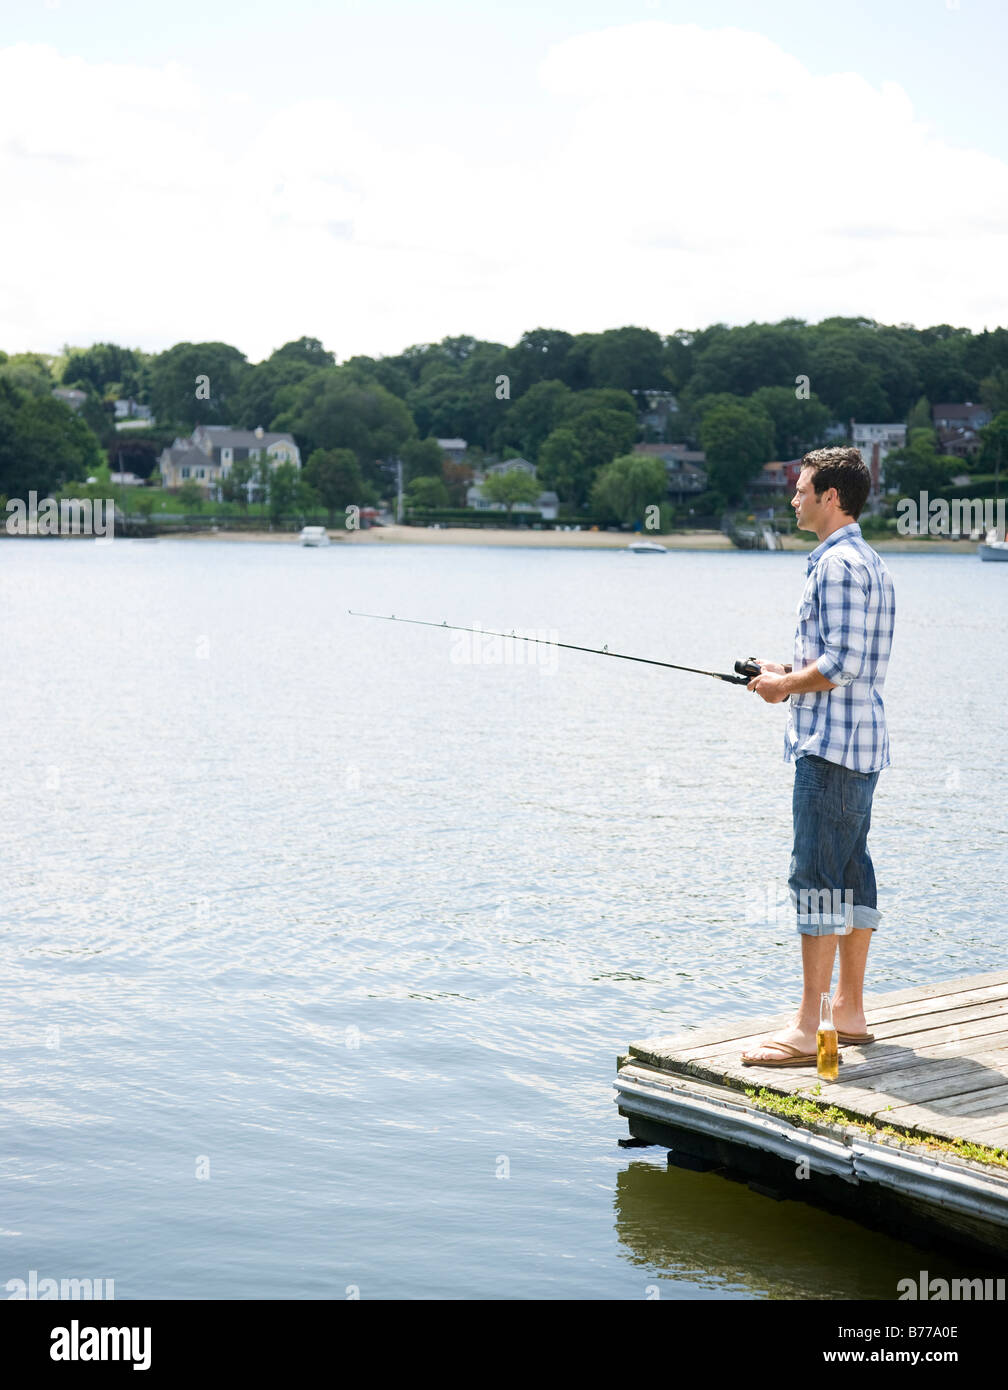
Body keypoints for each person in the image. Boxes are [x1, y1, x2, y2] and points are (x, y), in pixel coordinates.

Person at [740, 447, 896, 1067]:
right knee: (851, 869)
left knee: (815, 881)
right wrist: (783, 668)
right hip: (860, 742)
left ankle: (811, 1026)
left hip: (830, 749)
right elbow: (841, 658)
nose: (794, 499)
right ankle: (850, 1014)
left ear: (832, 497)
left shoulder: (834, 567)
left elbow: (844, 664)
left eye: (803, 490)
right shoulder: (872, 562)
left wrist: (782, 687)